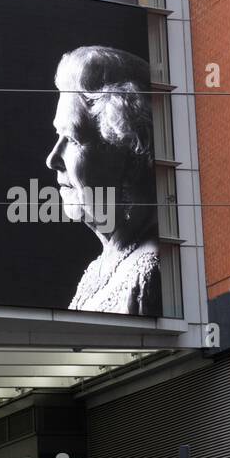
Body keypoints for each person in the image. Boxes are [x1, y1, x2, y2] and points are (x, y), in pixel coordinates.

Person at [47, 46, 160, 316]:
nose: (52, 159)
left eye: (73, 139)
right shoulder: (101, 268)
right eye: (57, 135)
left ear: (128, 154)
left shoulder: (149, 274)